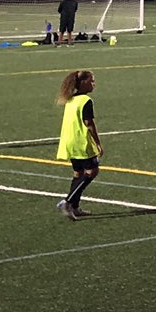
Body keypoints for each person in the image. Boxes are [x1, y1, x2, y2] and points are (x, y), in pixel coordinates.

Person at [55, 69, 102, 220]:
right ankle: (68, 202)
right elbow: (89, 124)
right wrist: (98, 143)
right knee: (92, 171)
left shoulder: (70, 99)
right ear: (83, 83)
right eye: (91, 81)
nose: (94, 84)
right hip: (81, 142)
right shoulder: (86, 101)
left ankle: (75, 207)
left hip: (70, 140)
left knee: (78, 173)